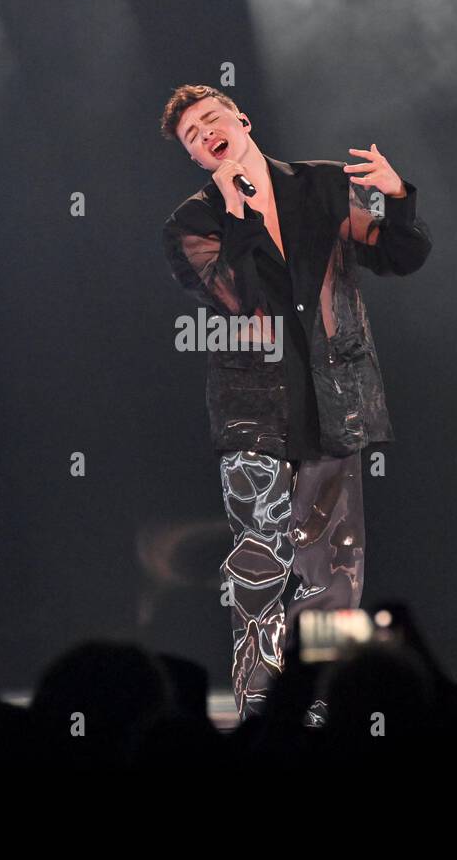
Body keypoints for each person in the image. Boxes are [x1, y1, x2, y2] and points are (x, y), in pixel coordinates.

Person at [159, 85, 432, 725]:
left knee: (335, 573)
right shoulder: (191, 225)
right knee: (259, 562)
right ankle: (264, 717)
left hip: (334, 400)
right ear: (197, 159)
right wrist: (236, 210)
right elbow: (237, 295)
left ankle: (326, 709)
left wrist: (395, 197)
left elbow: (402, 255)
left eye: (210, 120)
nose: (204, 134)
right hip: (252, 408)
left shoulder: (325, 186)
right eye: (192, 137)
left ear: (240, 120)